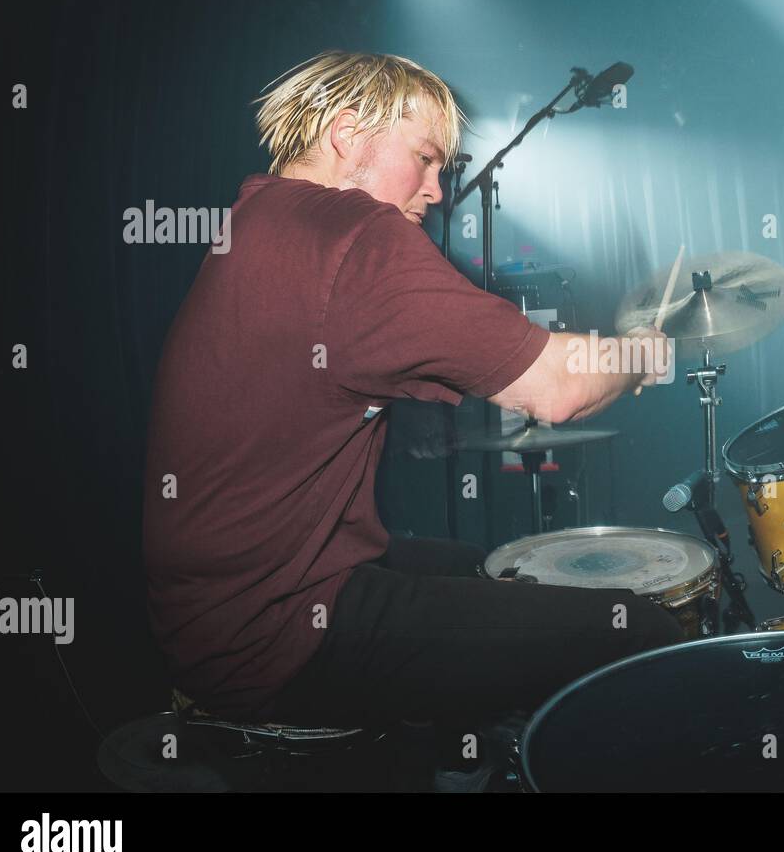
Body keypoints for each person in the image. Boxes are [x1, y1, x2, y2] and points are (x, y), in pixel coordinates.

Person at [143, 51, 681, 732]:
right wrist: (645, 352)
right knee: (633, 627)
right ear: (346, 135)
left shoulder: (258, 218)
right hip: (275, 637)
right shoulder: (353, 235)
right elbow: (559, 389)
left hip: (211, 614)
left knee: (485, 569)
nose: (437, 190)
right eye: (424, 159)